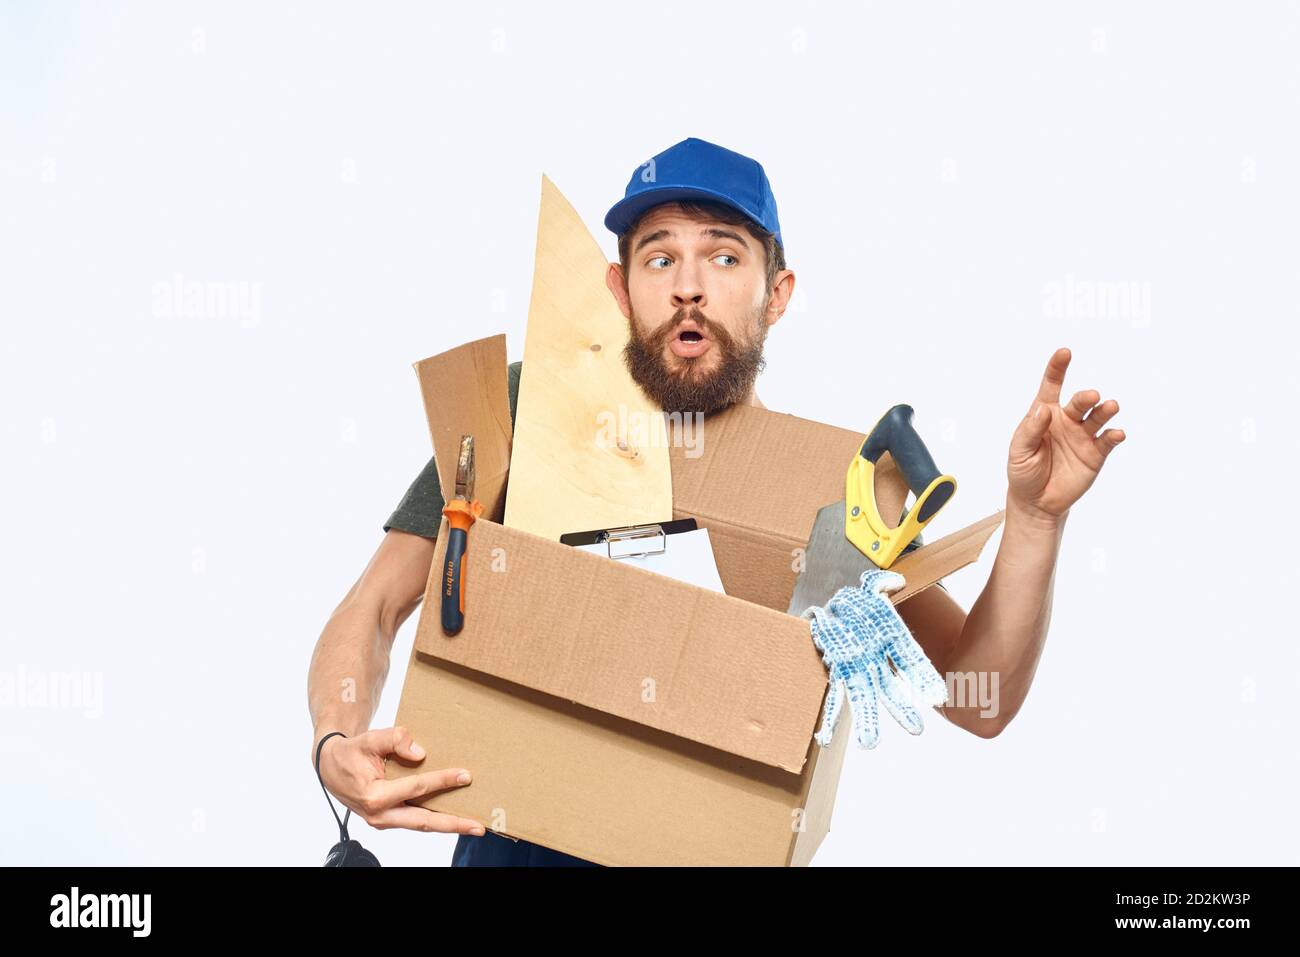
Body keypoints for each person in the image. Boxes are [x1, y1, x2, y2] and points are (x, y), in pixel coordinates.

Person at [306, 137, 1127, 866]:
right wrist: (336, 739)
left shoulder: (836, 487)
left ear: (777, 294)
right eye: (659, 258)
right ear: (620, 289)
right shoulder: (525, 412)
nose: (689, 287)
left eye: (725, 257)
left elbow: (975, 692)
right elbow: (375, 609)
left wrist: (1036, 519)